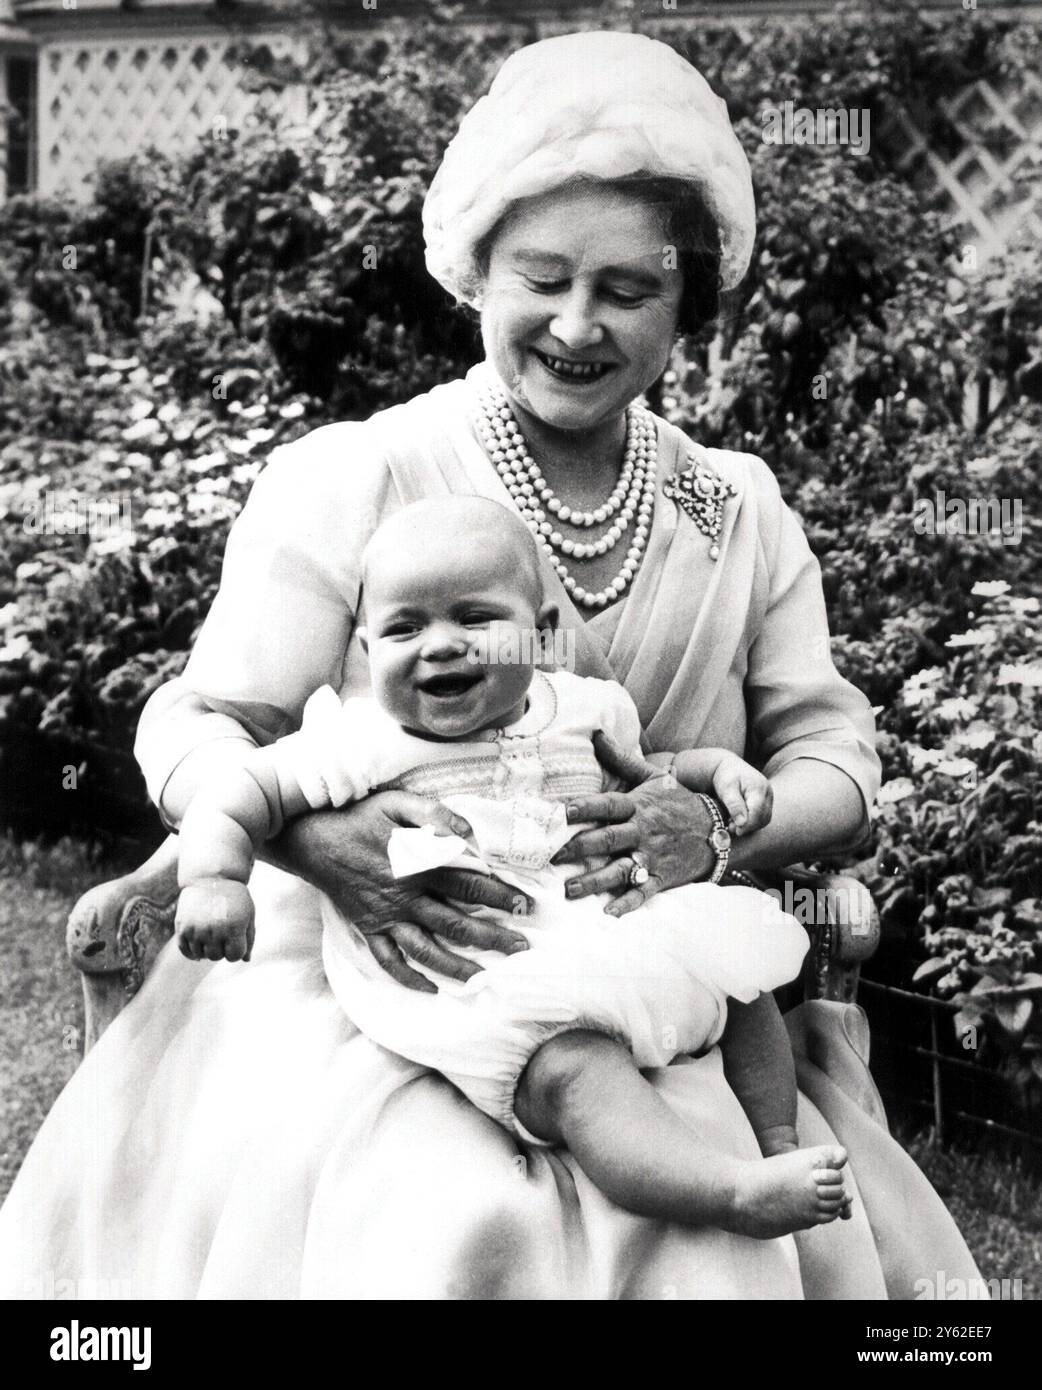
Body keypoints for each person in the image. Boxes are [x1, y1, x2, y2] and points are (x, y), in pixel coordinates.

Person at [0, 30, 983, 1299]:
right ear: (476, 275)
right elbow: (203, 722)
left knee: (716, 1201)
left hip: (652, 979)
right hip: (390, 985)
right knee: (443, 1214)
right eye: (543, 278)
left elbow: (836, 763)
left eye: (628, 290)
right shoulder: (359, 474)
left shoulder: (729, 508)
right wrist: (316, 847)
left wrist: (721, 832)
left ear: (689, 304)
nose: (577, 324)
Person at [173, 494, 852, 1239]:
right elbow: (239, 793)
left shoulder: (585, 709)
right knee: (574, 1075)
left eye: (474, 619)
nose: (438, 645)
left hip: (611, 926)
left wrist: (715, 769)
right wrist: (213, 879)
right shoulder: (360, 739)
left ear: (544, 634)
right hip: (488, 964)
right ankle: (726, 1193)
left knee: (741, 983)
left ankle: (781, 1143)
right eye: (404, 627)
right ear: (367, 652)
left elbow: (646, 770)